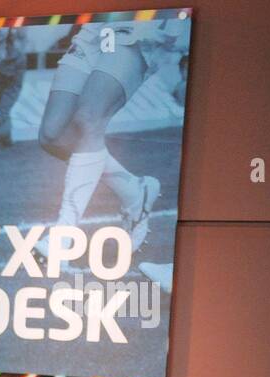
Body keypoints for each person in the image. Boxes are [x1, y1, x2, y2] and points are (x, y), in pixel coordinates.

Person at [35, 21, 189, 261]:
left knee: (89, 119)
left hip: (140, 30)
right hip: (97, 28)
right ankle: (134, 191)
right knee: (53, 136)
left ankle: (64, 235)